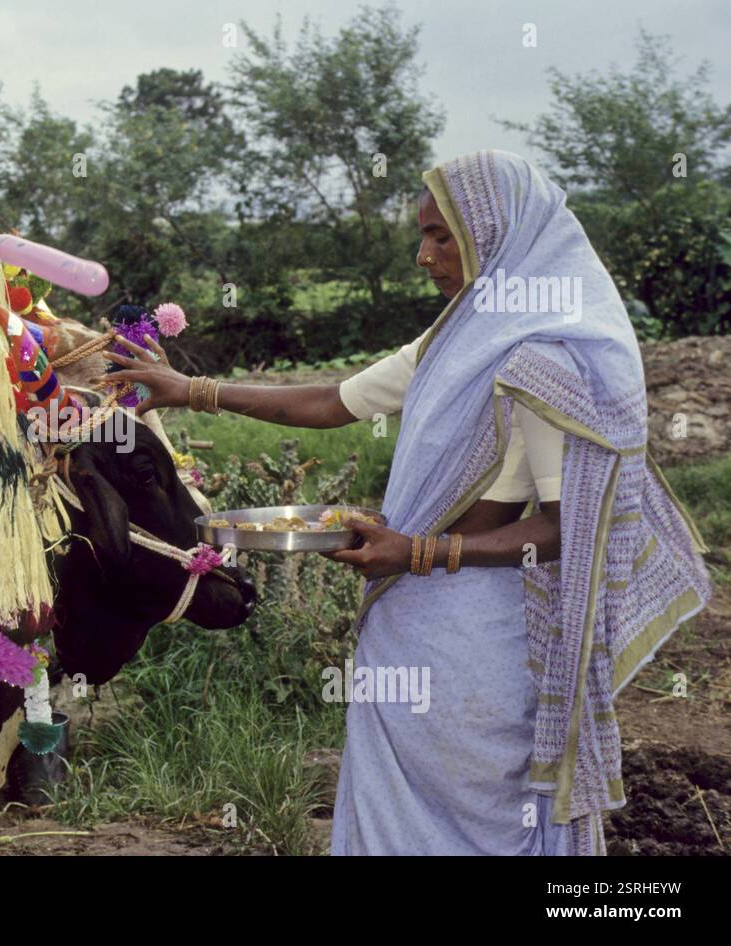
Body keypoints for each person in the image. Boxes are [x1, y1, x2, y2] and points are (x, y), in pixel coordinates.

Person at [103, 149, 712, 855]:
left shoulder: (547, 358)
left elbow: (569, 529)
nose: (423, 256)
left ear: (498, 232)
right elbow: (334, 400)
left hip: (475, 651)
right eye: (422, 235)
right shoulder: (461, 335)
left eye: (440, 235)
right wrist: (191, 391)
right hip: (415, 630)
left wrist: (420, 550)